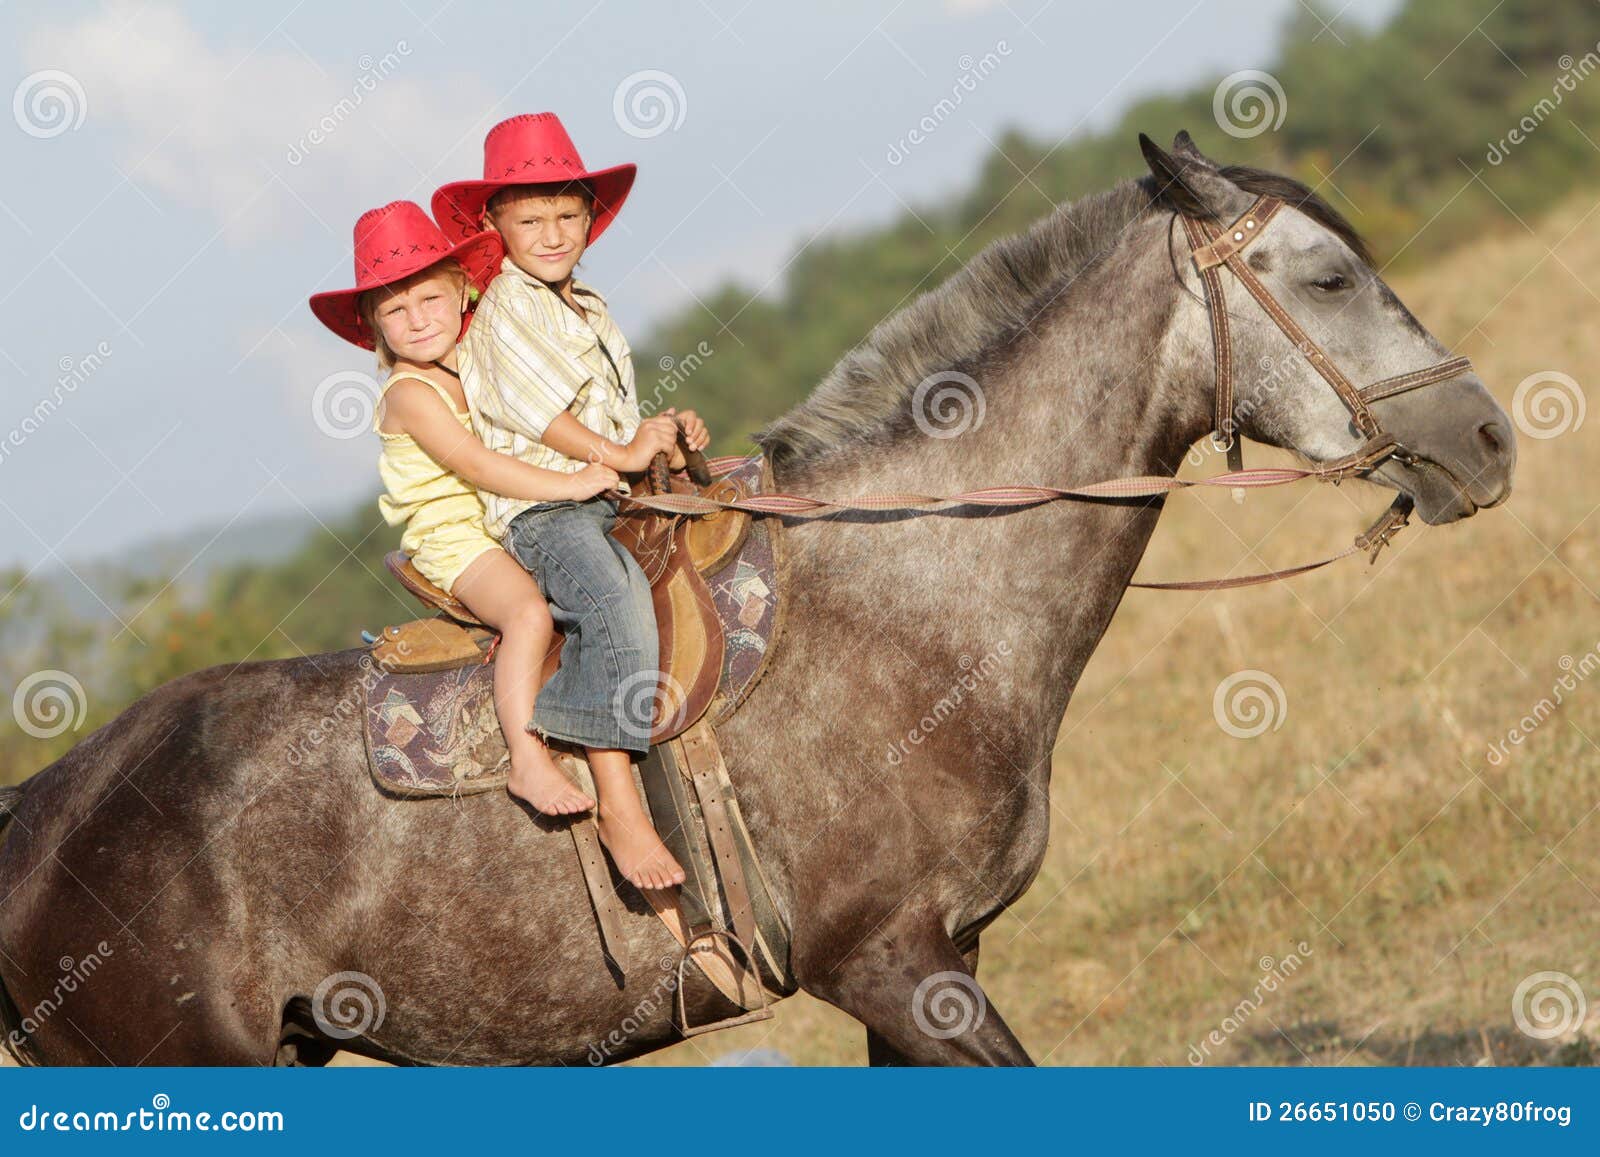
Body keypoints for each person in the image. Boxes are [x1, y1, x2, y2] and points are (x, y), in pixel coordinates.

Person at [433, 113, 708, 890]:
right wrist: (619, 454)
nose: (551, 234)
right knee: (612, 595)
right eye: (529, 220)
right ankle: (620, 800)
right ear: (496, 224)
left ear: (590, 214)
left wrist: (660, 437)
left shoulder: (583, 303)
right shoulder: (507, 304)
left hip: (603, 491)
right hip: (545, 510)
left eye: (566, 215)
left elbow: (607, 411)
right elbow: (539, 411)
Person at [310, 200, 614, 817]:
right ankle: (528, 761)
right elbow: (477, 464)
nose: (418, 321)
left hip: (507, 513)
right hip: (457, 535)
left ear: (462, 292)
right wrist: (573, 485)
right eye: (396, 311)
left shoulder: (474, 356)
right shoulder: (410, 393)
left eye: (430, 301)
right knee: (528, 614)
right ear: (374, 328)